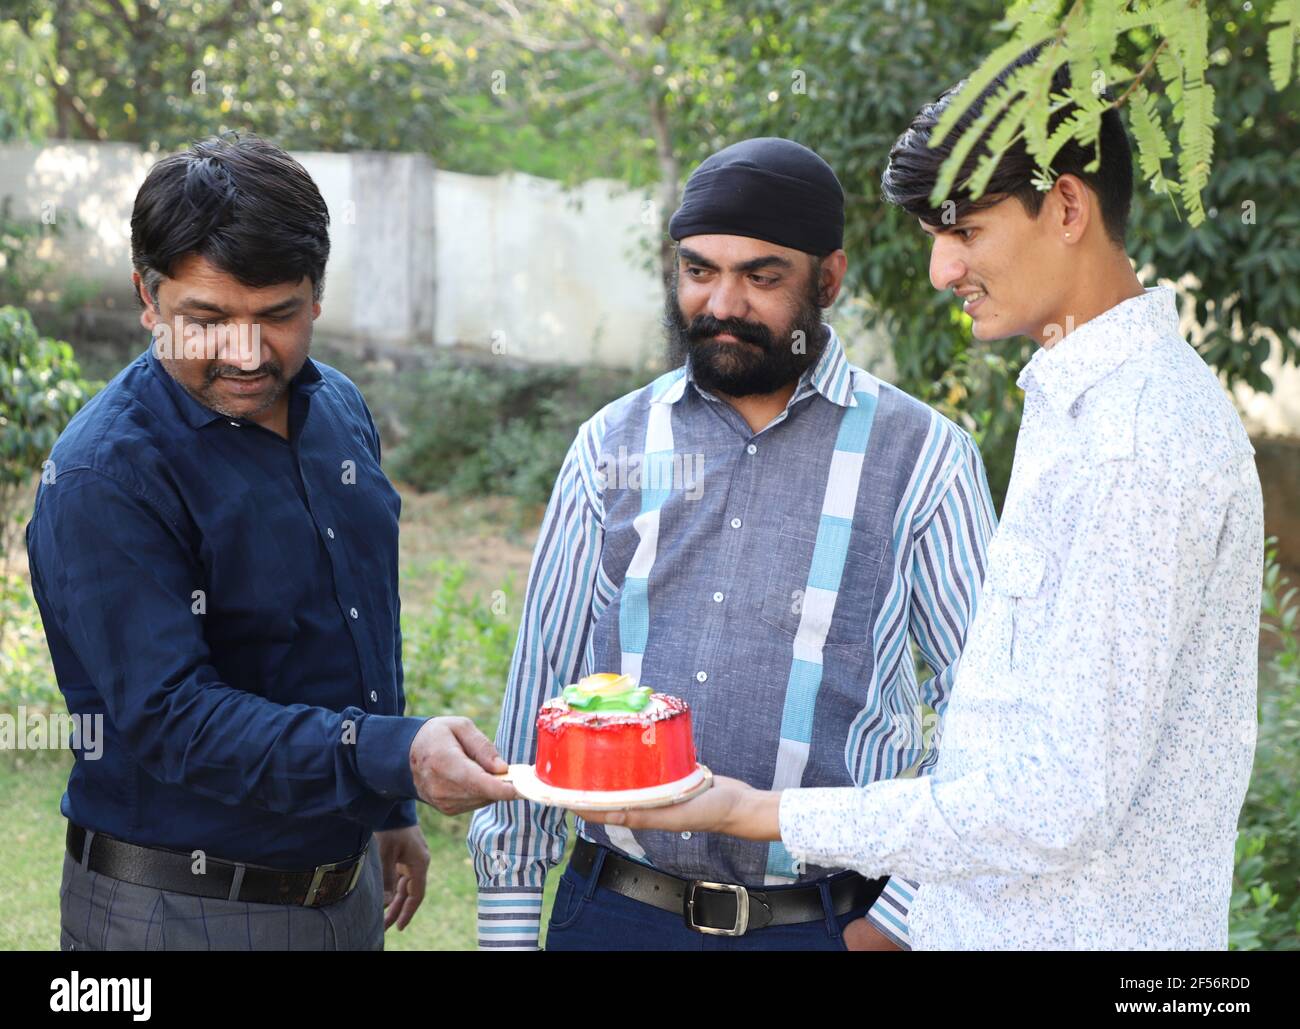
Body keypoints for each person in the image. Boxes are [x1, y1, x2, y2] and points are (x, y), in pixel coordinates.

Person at [580, 52, 1264, 951]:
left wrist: (765, 812)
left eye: (965, 231)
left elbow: (1059, 800)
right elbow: (1003, 735)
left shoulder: (1134, 441)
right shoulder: (1080, 406)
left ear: (1066, 207)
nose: (942, 269)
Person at [470, 137, 996, 950]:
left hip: (825, 923)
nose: (723, 303)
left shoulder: (926, 458)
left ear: (829, 278)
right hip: (613, 913)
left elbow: (986, 711)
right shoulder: (611, 442)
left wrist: (895, 922)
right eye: (699, 270)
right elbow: (542, 686)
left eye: (761, 276)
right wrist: (507, 925)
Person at [26, 134, 514, 951]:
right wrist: (391, 755)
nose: (246, 353)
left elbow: (365, 619)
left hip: (344, 891)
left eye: (277, 316)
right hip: (173, 911)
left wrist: (386, 808)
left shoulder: (339, 411)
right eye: (206, 321)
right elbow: (173, 719)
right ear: (147, 299)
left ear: (316, 297)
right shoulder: (105, 476)